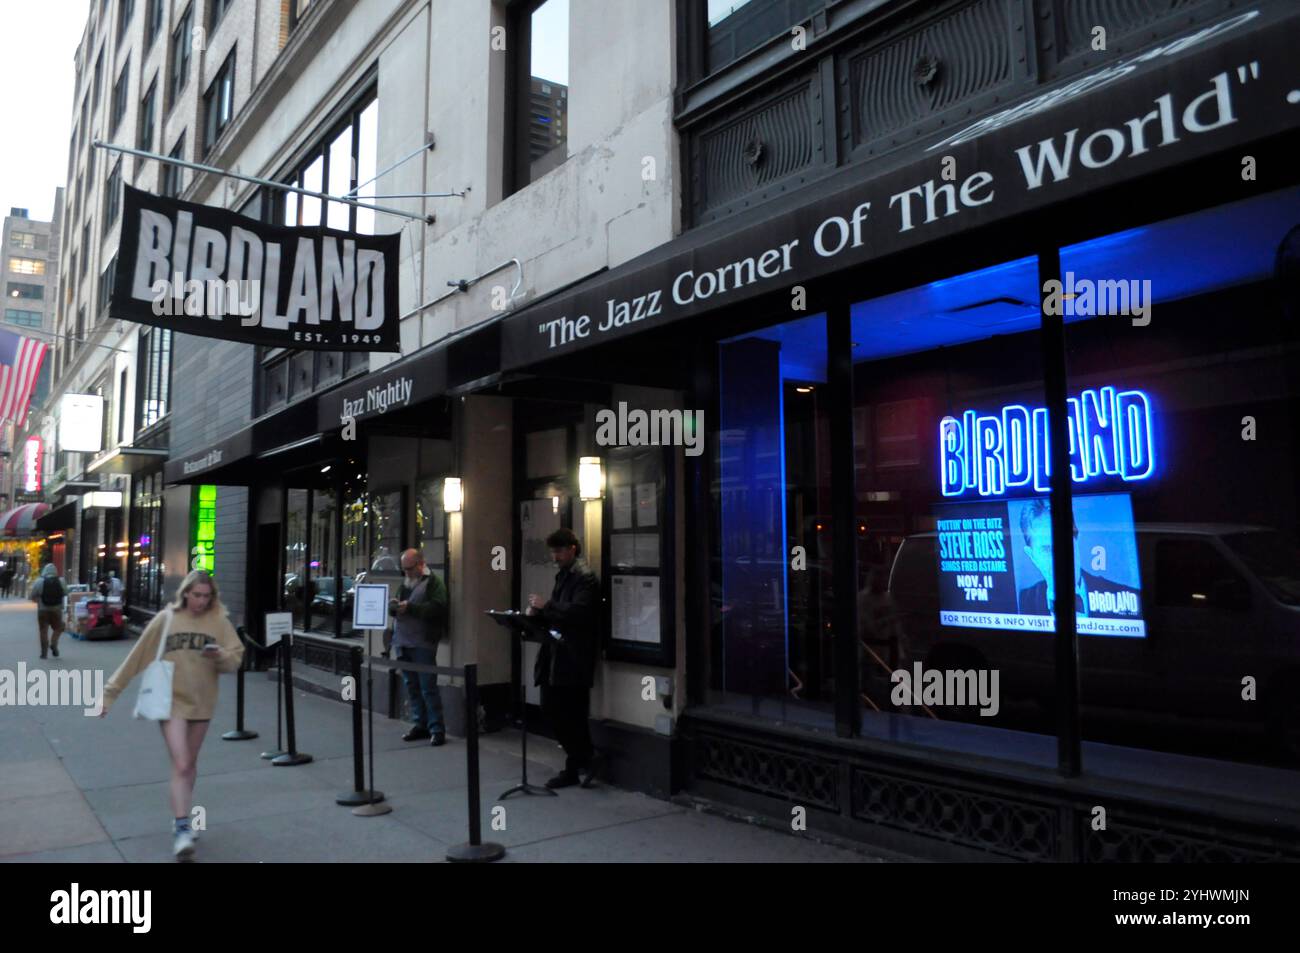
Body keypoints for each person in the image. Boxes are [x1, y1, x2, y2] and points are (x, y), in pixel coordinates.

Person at [98, 569, 245, 861]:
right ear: (186, 593)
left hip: (203, 702)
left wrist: (221, 657)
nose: (201, 601)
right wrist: (109, 693)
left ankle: (183, 815)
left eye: (207, 596)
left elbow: (235, 659)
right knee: (181, 762)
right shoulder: (167, 619)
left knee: (189, 765)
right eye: (196, 595)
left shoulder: (218, 621)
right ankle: (181, 829)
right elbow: (136, 657)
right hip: (171, 701)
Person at [527, 528, 602, 789]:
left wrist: (545, 606)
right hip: (557, 654)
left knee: (571, 712)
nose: (555, 556)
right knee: (554, 710)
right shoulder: (565, 576)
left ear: (572, 548)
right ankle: (579, 760)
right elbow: (560, 613)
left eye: (558, 551)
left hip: (573, 656)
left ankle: (580, 761)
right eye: (553, 552)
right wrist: (536, 614)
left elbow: (579, 613)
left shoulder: (585, 578)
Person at [1017, 498, 1140, 617]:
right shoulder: (1024, 601)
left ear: (1076, 538)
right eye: (1047, 550)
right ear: (1032, 556)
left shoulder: (1128, 597)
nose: (1060, 558)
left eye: (1064, 543)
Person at [389, 548, 449, 746]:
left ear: (420, 564)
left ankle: (437, 728)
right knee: (412, 686)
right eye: (404, 569)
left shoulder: (433, 583)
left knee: (427, 687)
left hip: (423, 642)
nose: (407, 573)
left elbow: (439, 608)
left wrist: (411, 608)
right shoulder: (405, 584)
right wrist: (394, 607)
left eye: (410, 568)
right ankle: (420, 723)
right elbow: (399, 606)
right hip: (404, 641)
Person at [29, 563, 67, 660]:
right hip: (57, 610)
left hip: (42, 610)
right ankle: (54, 643)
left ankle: (44, 653)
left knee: (43, 631)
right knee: (60, 627)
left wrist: (38, 600)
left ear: (44, 571)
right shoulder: (61, 581)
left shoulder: (39, 581)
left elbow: (32, 596)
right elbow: (66, 593)